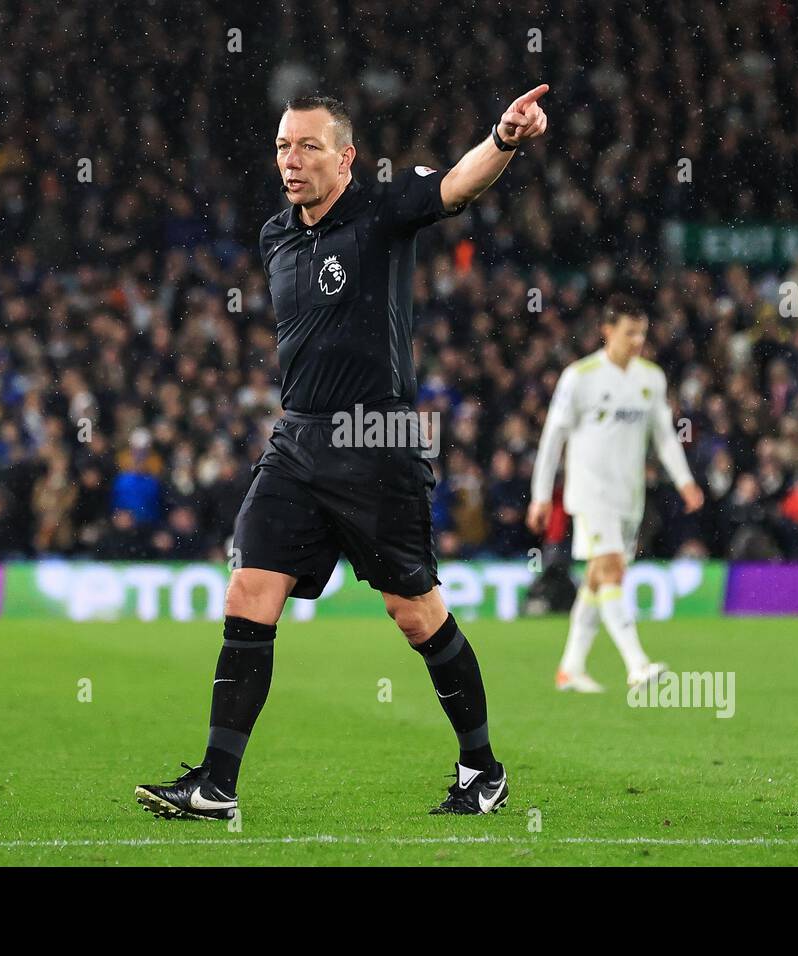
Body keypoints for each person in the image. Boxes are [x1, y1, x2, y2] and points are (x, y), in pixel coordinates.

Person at [137, 86, 550, 820]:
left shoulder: (384, 211)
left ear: (346, 157)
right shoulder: (275, 236)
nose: (290, 162)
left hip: (376, 440)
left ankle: (481, 769)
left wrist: (505, 137)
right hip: (297, 440)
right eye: (281, 148)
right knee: (247, 594)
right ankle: (216, 785)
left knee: (414, 612)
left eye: (308, 147)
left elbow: (458, 183)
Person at [527, 293, 703, 693]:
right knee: (612, 570)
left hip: (630, 496)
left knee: (596, 579)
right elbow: (553, 438)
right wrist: (540, 495)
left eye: (642, 333)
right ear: (607, 331)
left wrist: (685, 480)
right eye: (629, 333)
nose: (637, 341)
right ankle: (636, 664)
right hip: (590, 492)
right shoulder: (580, 377)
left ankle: (570, 668)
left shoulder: (650, 378)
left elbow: (664, 436)